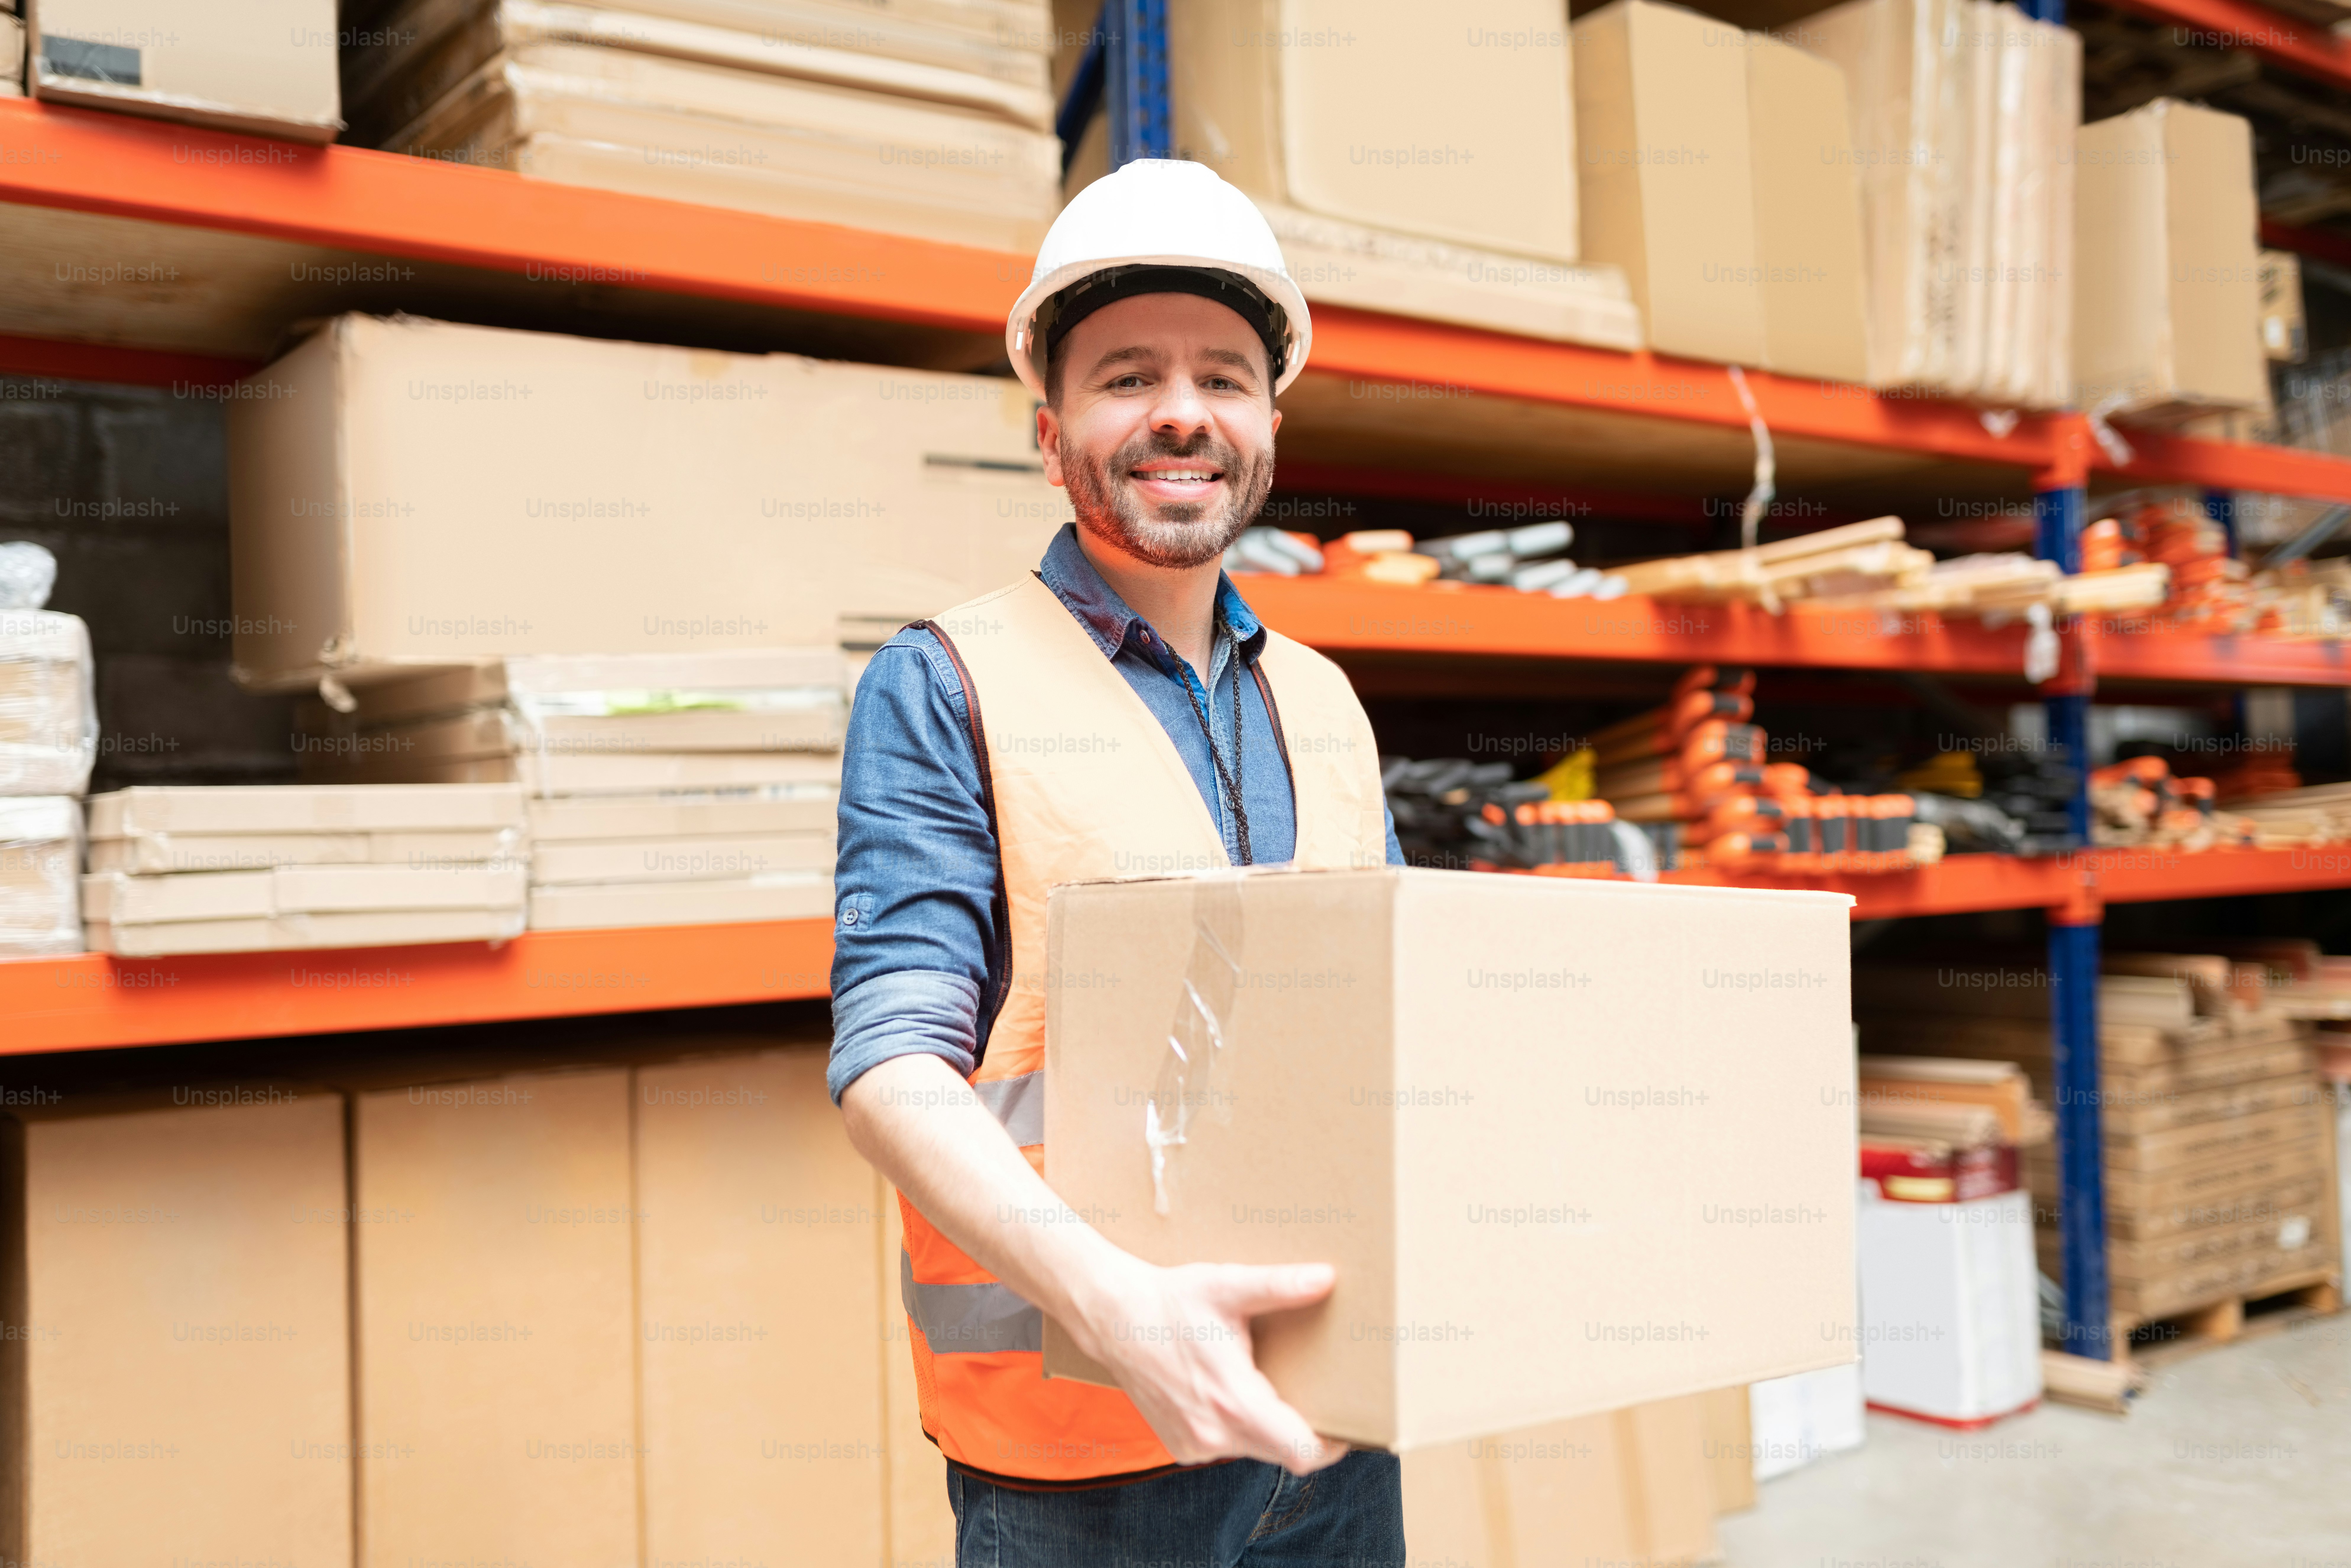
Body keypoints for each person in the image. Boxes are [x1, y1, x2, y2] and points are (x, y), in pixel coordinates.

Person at [828, 157, 1406, 1566]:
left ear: (1267, 428)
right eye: (1125, 375)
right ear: (1050, 434)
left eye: (1221, 375)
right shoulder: (943, 680)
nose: (1179, 411)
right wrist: (1111, 1304)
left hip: (1333, 1423)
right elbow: (890, 1060)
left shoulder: (1326, 701)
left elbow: (1400, 1028)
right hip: (1077, 1451)